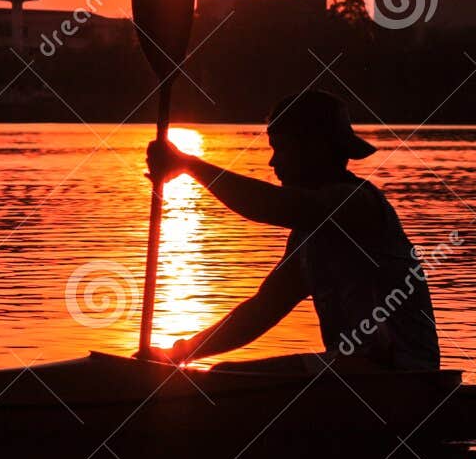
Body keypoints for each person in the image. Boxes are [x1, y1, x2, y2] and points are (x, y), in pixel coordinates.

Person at [141, 90, 440, 373]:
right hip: (350, 373)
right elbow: (261, 312)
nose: (272, 162)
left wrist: (189, 165)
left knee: (227, 377)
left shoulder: (354, 203)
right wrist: (179, 353)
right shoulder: (308, 237)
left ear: (315, 149)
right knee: (222, 375)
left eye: (280, 148)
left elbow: (270, 206)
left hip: (400, 374)